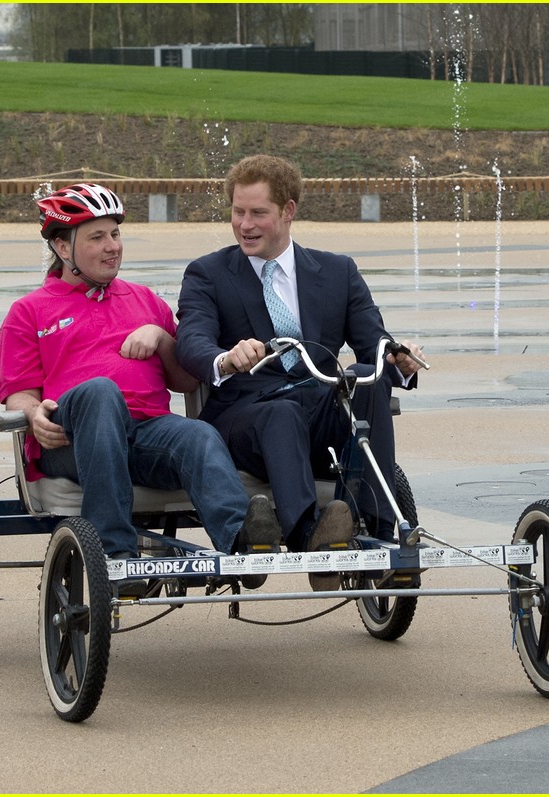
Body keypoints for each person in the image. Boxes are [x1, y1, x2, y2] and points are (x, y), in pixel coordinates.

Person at [0, 183, 281, 594]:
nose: (112, 246)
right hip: (70, 443)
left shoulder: (145, 300)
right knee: (100, 392)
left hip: (147, 435)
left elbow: (185, 382)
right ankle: (114, 555)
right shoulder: (29, 311)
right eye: (97, 237)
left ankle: (241, 542)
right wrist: (32, 413)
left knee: (198, 434)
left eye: (116, 234)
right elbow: (18, 391)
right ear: (61, 247)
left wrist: (163, 339)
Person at [175, 155, 426, 590]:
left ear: (288, 211)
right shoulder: (208, 274)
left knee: (367, 378)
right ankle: (308, 534)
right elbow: (191, 340)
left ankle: (376, 534)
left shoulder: (336, 271)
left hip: (319, 410)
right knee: (283, 410)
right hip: (248, 418)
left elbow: (375, 340)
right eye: (238, 212)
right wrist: (226, 357)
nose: (244, 225)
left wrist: (398, 358)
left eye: (258, 213)